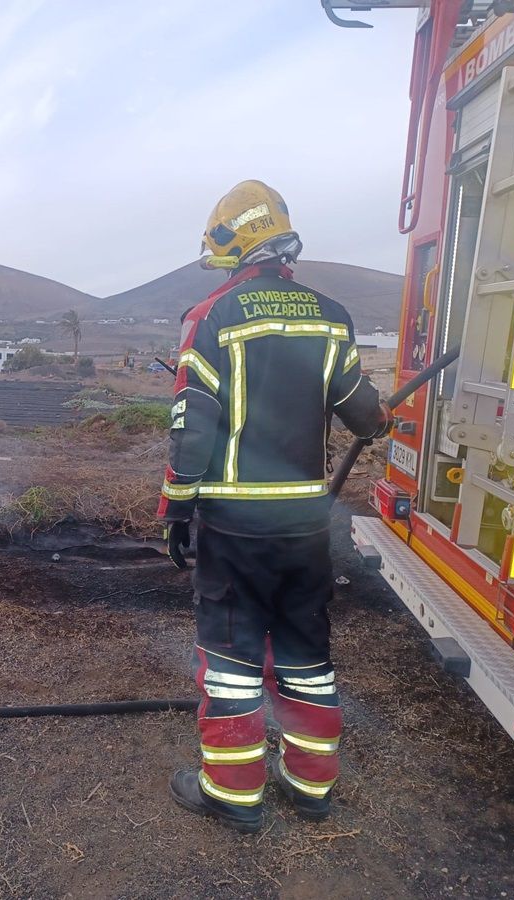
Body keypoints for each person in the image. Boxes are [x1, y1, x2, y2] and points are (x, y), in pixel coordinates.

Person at [160, 180, 391, 832]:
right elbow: (362, 411)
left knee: (232, 663)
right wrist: (379, 419)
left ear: (237, 249)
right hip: (305, 528)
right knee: (306, 656)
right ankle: (310, 785)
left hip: (235, 530)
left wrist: (177, 511)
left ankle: (234, 798)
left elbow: (192, 428)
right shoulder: (331, 316)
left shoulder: (212, 318)